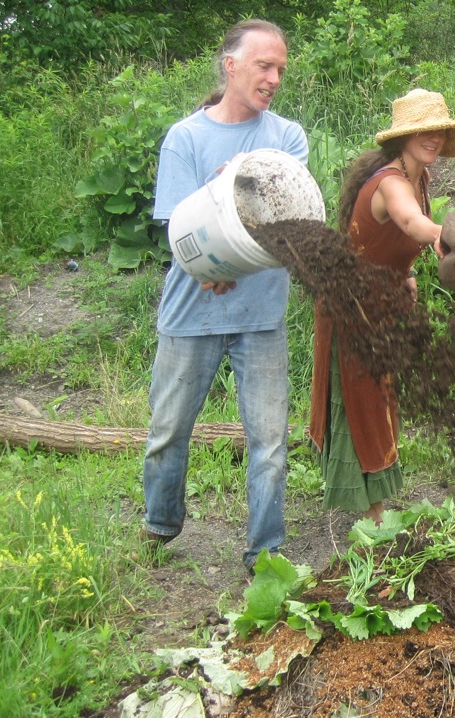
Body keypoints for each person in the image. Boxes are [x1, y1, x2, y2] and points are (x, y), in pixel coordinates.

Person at [142, 19, 307, 571]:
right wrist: (205, 265)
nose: (274, 78)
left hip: (261, 314)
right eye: (265, 66)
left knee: (269, 443)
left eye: (281, 69)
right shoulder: (185, 137)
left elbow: (292, 217)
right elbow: (177, 224)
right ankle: (159, 525)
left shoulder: (286, 136)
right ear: (231, 65)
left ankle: (267, 553)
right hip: (193, 311)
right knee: (169, 431)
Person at [309, 89, 455, 525]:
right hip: (352, 306)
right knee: (363, 401)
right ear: (402, 137)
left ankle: (376, 510)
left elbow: (380, 240)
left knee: (381, 397)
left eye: (438, 132)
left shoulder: (418, 175)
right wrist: (446, 234)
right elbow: (408, 221)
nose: (433, 139)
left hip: (381, 301)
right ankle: (373, 516)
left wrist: (406, 273)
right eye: (423, 132)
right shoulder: (391, 181)